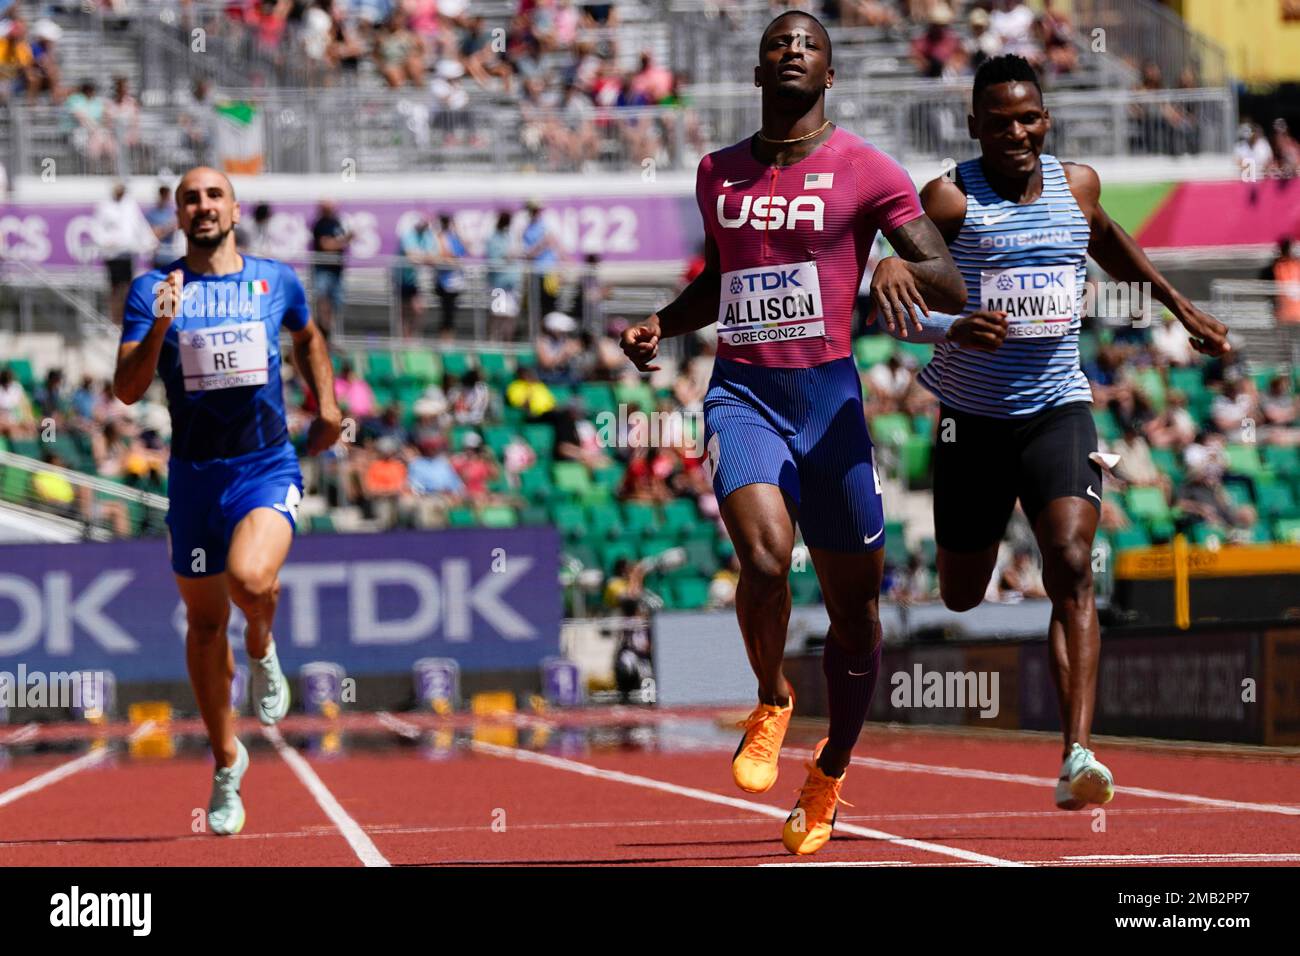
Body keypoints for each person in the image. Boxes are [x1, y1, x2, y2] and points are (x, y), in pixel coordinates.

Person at [619, 10, 965, 856]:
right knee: (766, 557)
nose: (792, 51)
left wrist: (895, 263)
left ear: (831, 74)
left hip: (831, 404)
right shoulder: (717, 172)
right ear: (758, 70)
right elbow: (721, 281)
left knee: (856, 616)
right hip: (744, 393)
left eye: (809, 44)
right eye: (778, 43)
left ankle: (831, 770)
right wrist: (662, 323)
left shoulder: (866, 167)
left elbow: (948, 283)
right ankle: (771, 697)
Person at [905, 54, 1230, 813]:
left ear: (1045, 119)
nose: (1016, 132)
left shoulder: (1076, 184)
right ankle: (976, 582)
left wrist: (1180, 308)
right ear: (974, 126)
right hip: (973, 422)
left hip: (1058, 408)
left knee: (1073, 563)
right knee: (959, 593)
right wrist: (955, 324)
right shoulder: (948, 201)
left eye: (1029, 118)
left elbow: (1107, 236)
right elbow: (898, 302)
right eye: (999, 122)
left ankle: (1077, 753)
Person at [112, 166, 341, 836]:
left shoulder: (276, 280)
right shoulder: (153, 288)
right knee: (207, 629)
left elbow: (308, 336)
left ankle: (264, 645)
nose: (203, 205)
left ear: (234, 207)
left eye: (214, 195)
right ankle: (226, 761)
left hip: (265, 464)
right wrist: (158, 327)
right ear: (178, 215)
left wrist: (325, 405)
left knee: (250, 579)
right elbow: (126, 390)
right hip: (193, 475)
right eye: (190, 198)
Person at [94, 182, 156, 325]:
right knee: (115, 288)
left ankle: (126, 319)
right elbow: (97, 228)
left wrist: (150, 241)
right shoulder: (105, 206)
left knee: (127, 287)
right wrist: (105, 242)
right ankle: (114, 320)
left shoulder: (130, 205)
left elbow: (140, 225)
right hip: (112, 254)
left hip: (127, 252)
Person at [310, 199, 351, 337]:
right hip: (323, 269)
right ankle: (323, 333)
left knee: (335, 304)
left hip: (336, 270)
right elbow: (326, 246)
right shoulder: (320, 225)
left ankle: (330, 335)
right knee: (323, 301)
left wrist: (341, 241)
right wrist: (344, 241)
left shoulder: (337, 223)